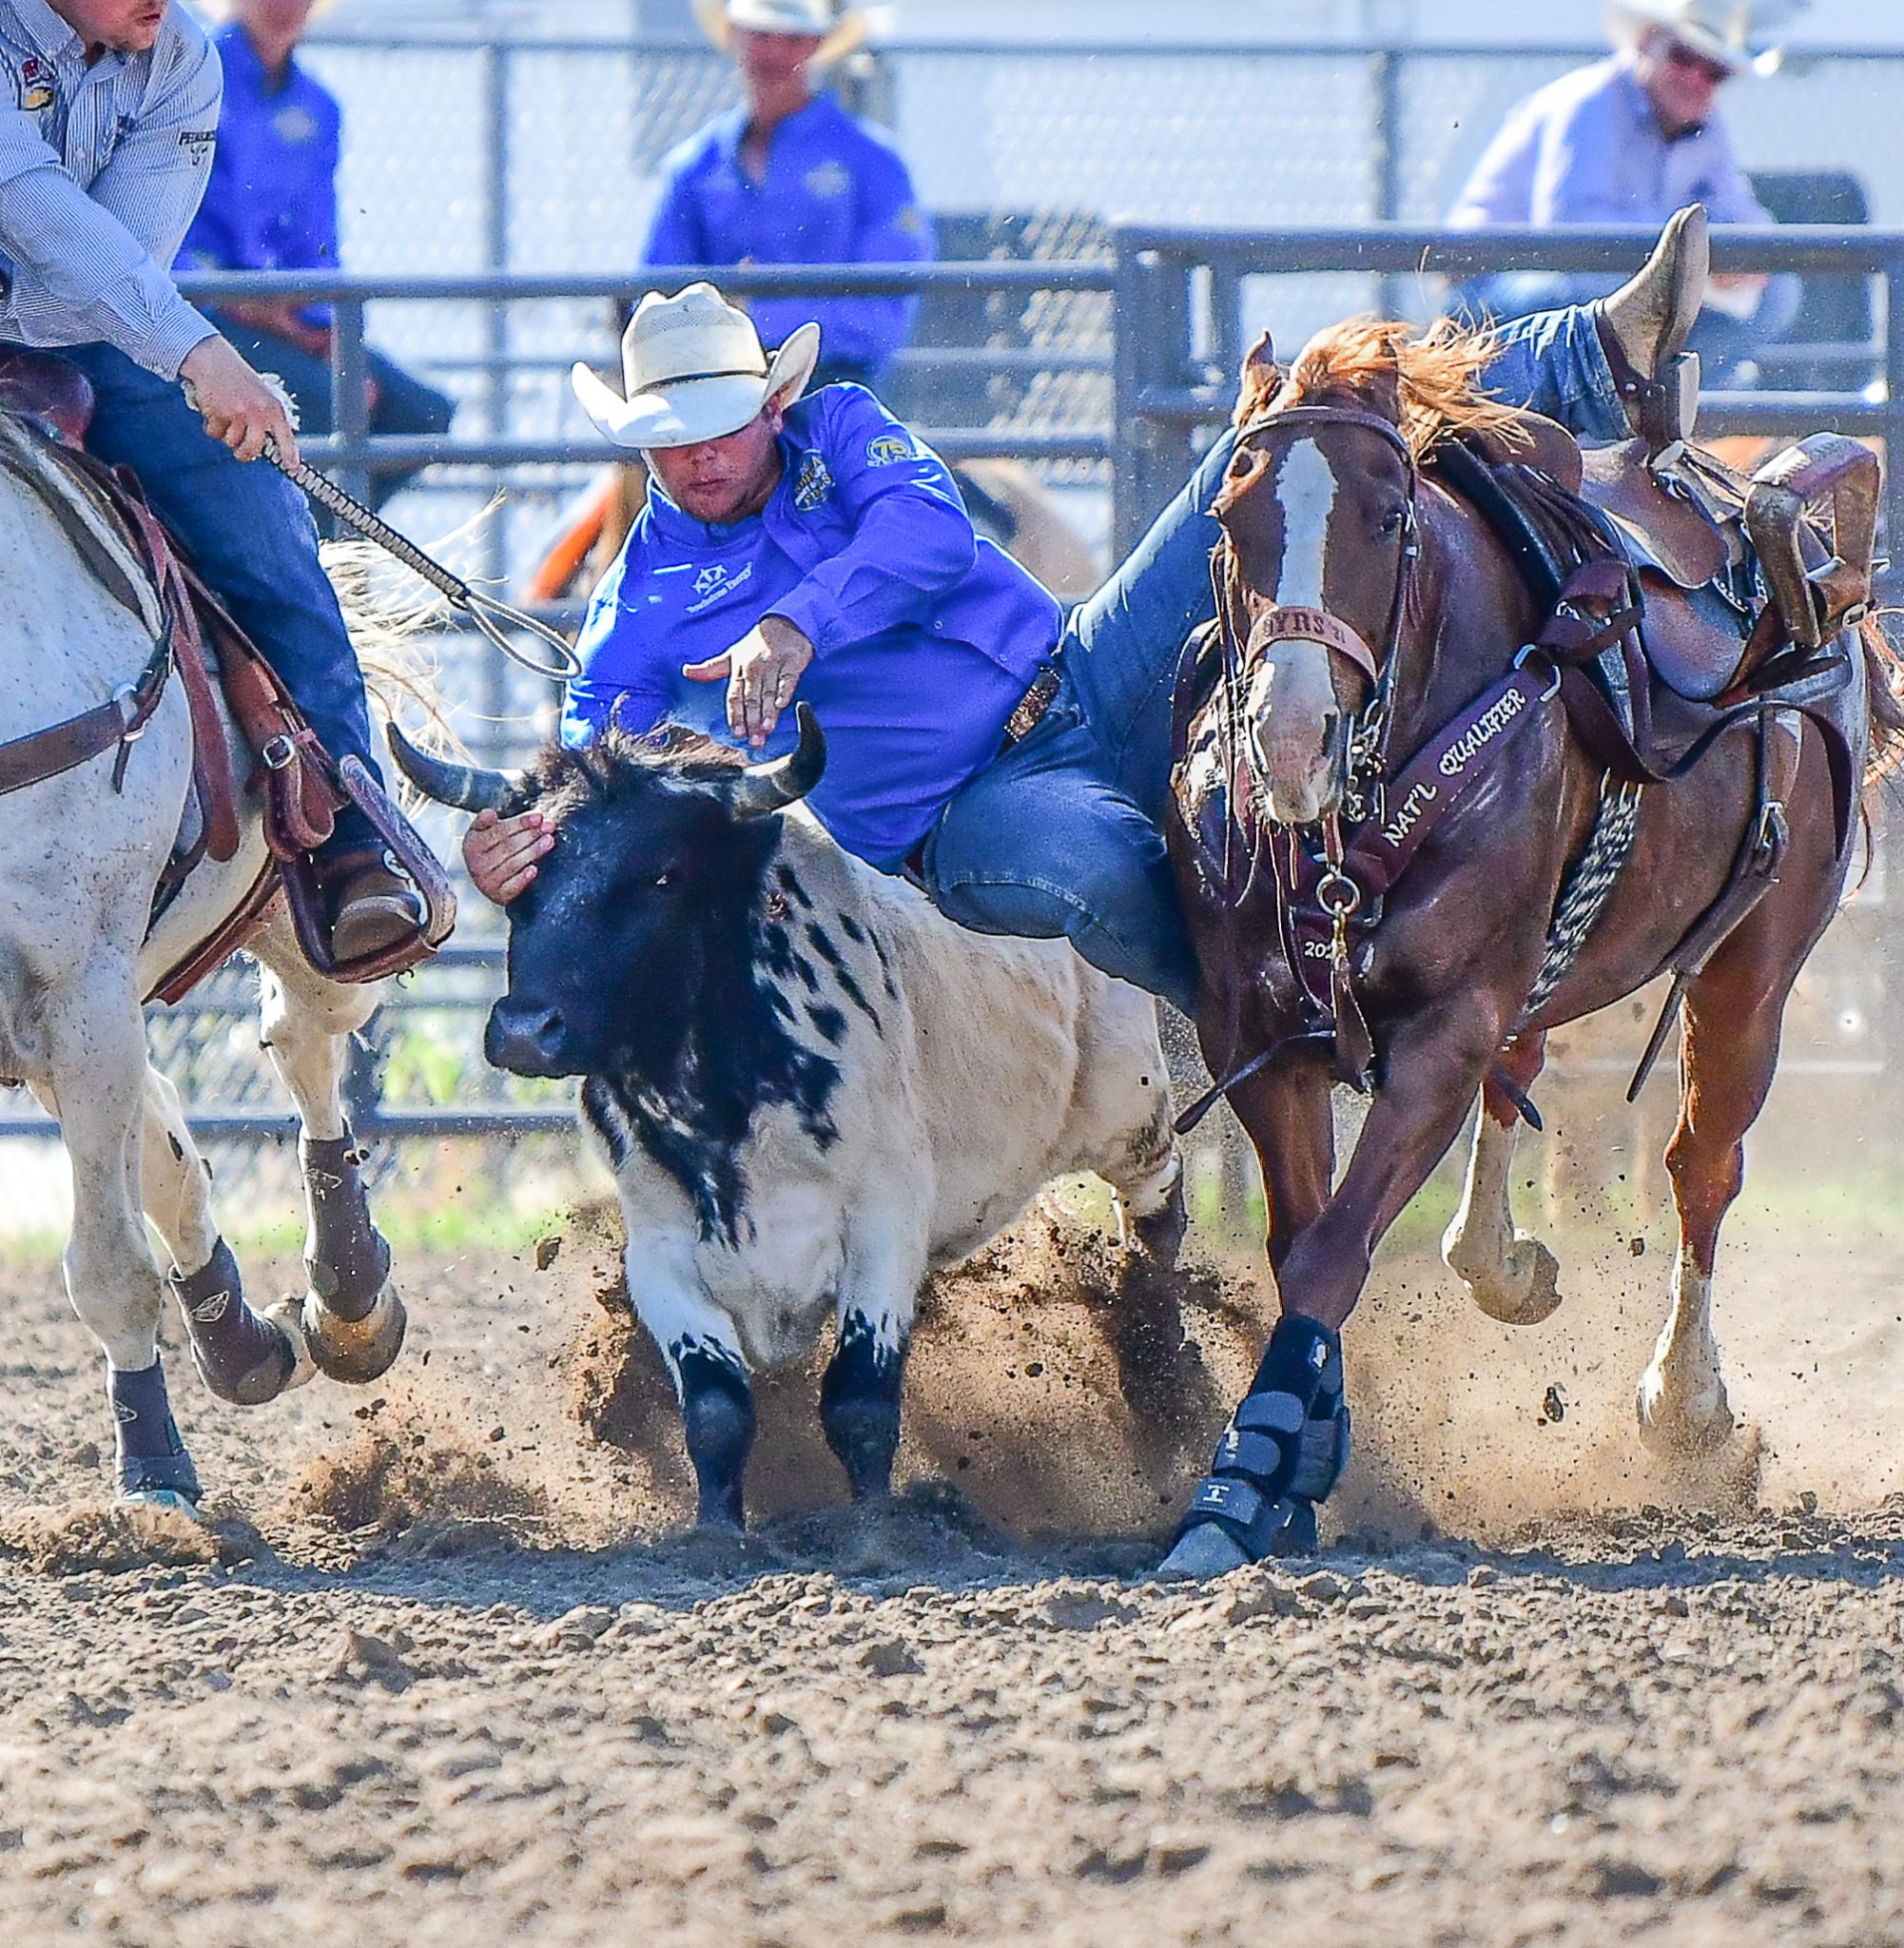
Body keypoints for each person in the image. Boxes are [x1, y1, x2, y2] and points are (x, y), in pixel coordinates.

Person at [461, 214, 1709, 1015]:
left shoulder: (842, 429)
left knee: (1267, 433)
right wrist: (522, 839)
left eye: (714, 424)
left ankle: (1591, 353)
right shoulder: (638, 600)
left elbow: (930, 533)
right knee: (1103, 865)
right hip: (962, 815)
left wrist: (794, 623)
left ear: (768, 407)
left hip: (1084, 667)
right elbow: (592, 756)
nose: (695, 458)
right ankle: (1279, 1034)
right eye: (665, 438)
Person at [0, 0, 423, 959]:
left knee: (264, 524)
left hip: (93, 331)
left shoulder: (179, 52)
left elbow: (106, 253)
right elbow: (23, 192)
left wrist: (174, 345)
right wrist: (197, 348)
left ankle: (353, 833)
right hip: (123, 323)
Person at [178, 0, 455, 513]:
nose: (285, 5)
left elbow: (316, 240)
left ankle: (325, 537)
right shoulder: (187, 77)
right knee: (328, 404)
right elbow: (166, 226)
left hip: (281, 312)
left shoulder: (319, 106)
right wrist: (245, 304)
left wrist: (328, 332)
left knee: (423, 416)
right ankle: (312, 547)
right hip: (198, 311)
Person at [1447, 0, 1796, 386]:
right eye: (1682, 57)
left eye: (1715, 72)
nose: (1696, 78)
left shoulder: (1706, 127)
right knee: (1613, 293)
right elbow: (1570, 232)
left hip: (1595, 280)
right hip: (1492, 289)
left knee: (1777, 291)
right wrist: (1691, 252)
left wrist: (1743, 256)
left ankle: (1658, 404)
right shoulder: (1589, 103)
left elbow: (1739, 213)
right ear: (1647, 43)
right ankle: (1633, 403)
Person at [643, 0, 932, 392]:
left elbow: (884, 314)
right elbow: (653, 299)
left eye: (792, 38)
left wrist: (746, 321)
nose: (775, 53)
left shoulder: (874, 162)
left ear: (816, 44)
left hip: (833, 389)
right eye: (762, 35)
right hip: (717, 398)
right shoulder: (693, 168)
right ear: (736, 36)